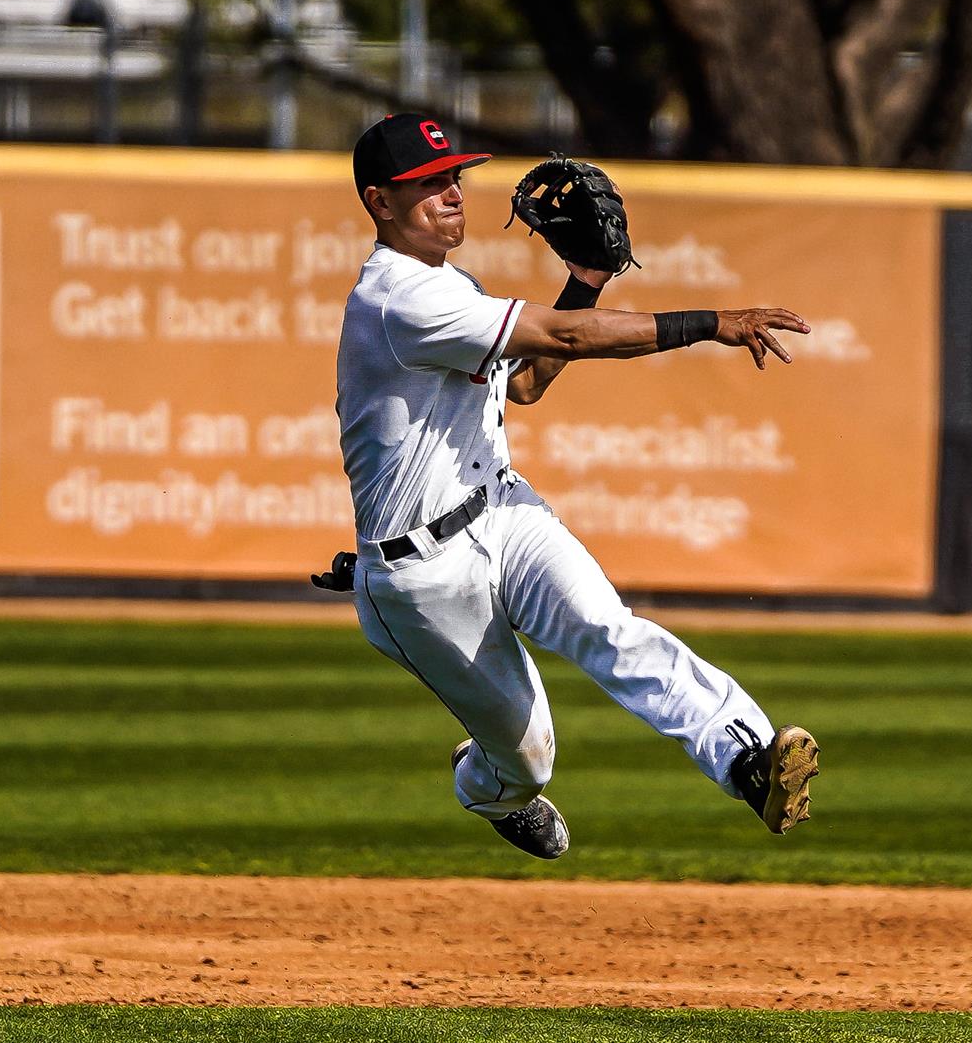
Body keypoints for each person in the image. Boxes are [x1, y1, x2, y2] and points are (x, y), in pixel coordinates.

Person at [334, 114, 820, 859]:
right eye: (428, 183)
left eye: (454, 176)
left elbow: (527, 383)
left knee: (608, 628)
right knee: (529, 759)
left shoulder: (449, 284)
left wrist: (584, 280)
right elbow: (565, 338)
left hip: (502, 513)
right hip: (422, 575)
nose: (453, 192)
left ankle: (748, 760)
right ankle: (487, 787)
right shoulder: (399, 297)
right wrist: (711, 321)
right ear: (380, 201)